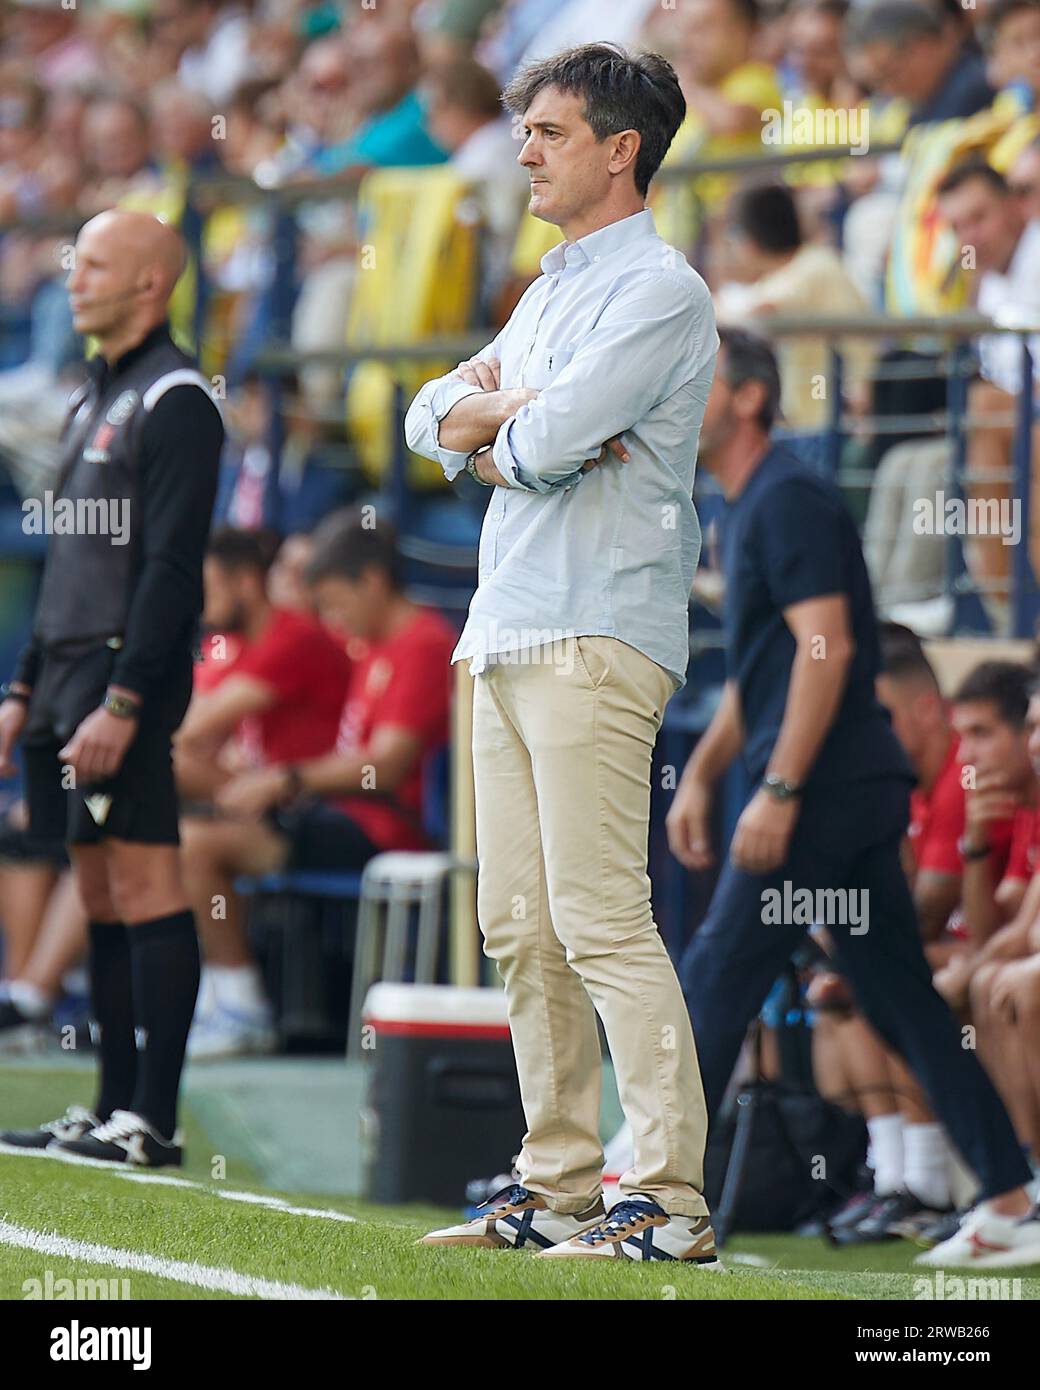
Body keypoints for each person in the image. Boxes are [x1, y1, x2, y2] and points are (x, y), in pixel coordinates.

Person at [405, 43, 721, 1263]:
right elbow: (438, 414)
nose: (523, 151)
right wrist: (497, 421)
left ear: (618, 147)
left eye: (545, 131)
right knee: (518, 925)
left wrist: (495, 425)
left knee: (597, 919)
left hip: (595, 625)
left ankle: (669, 1199)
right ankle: (557, 1191)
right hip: (509, 625)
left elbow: (533, 447)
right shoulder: (545, 291)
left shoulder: (660, 291)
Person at [668, 326, 1040, 1267]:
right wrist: (708, 773)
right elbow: (764, 670)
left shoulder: (787, 498)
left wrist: (780, 787)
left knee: (713, 980)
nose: (678, 387)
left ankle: (655, 1201)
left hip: (822, 792)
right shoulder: (752, 503)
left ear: (749, 396)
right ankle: (1007, 1196)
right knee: (904, 1001)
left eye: (697, 375)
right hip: (837, 790)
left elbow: (825, 649)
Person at [0, 209, 223, 1168]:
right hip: (64, 676)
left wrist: (125, 701)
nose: (72, 279)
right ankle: (106, 1105)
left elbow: (171, 570)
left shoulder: (177, 399)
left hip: (119, 682)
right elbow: (66, 562)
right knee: (94, 889)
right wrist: (21, 685)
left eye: (92, 265)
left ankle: (154, 1121)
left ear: (148, 284)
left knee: (144, 881)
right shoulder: (93, 397)